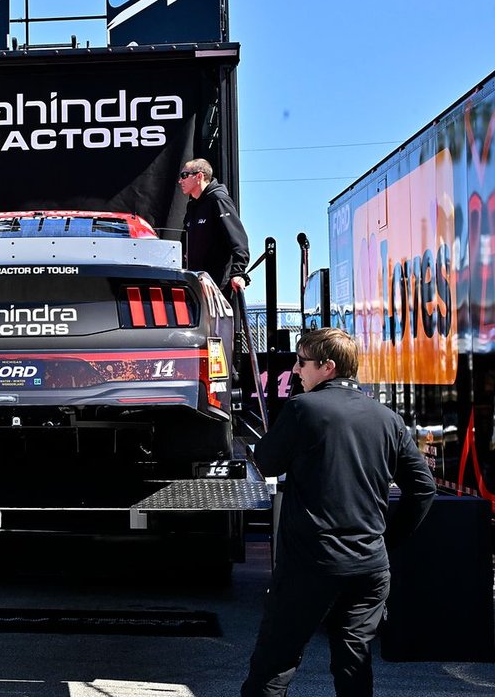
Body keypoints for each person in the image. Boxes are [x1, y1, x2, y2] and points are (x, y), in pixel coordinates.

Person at [241, 328, 435, 697]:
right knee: (354, 664)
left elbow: (265, 462)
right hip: (369, 566)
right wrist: (386, 541)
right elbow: (423, 489)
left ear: (327, 367)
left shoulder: (302, 408)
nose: (296, 370)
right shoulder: (387, 418)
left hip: (310, 562)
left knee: (275, 661)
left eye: (301, 362)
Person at [180, 158, 250, 299]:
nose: (180, 181)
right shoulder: (192, 206)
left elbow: (239, 240)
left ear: (199, 176)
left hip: (218, 288)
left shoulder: (218, 199)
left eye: (184, 176)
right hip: (196, 285)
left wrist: (238, 273)